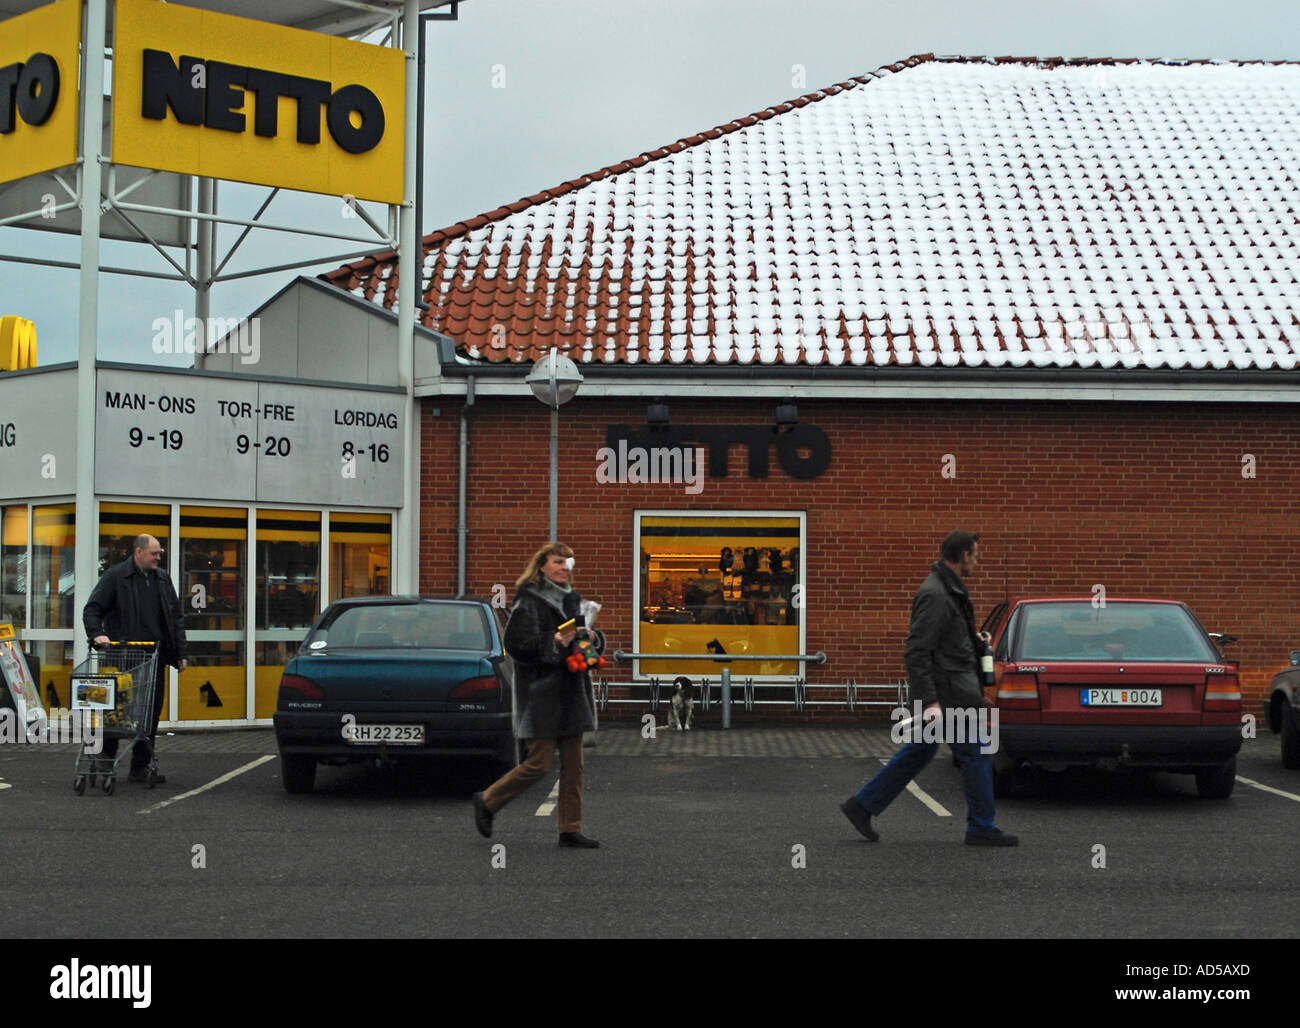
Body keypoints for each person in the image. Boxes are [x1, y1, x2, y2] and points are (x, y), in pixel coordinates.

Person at [841, 531, 1018, 846]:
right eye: (975, 555)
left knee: (920, 751)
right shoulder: (936, 594)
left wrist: (972, 641)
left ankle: (862, 806)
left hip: (949, 691)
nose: (977, 561)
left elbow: (942, 642)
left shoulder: (948, 590)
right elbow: (917, 651)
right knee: (977, 753)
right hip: (949, 696)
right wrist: (930, 702)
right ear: (963, 556)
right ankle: (981, 826)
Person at [473, 541, 602, 848]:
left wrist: (593, 637)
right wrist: (554, 639)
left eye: (568, 563)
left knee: (575, 766)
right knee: (539, 765)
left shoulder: (571, 599)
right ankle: (487, 801)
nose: (563, 568)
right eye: (558, 562)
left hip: (572, 693)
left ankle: (570, 829)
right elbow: (516, 646)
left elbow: (579, 638)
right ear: (541, 566)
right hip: (542, 696)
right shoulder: (528, 602)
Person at [83, 535, 188, 784]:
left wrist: (181, 653)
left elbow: (175, 619)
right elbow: (93, 609)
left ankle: (139, 767)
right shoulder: (116, 577)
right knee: (116, 712)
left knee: (149, 713)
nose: (158, 557)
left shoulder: (162, 579)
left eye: (159, 553)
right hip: (123, 657)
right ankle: (105, 759)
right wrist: (98, 635)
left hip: (154, 658)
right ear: (138, 553)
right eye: (154, 553)